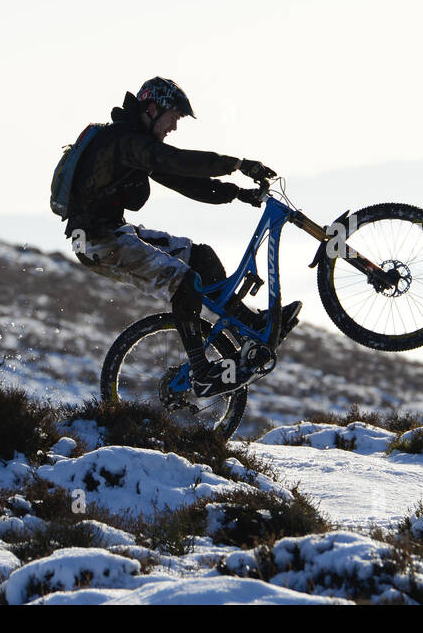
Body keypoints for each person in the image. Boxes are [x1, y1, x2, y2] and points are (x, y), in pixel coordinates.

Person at [63, 77, 300, 396]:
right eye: (172, 118)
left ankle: (249, 328)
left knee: (201, 257)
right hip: (99, 242)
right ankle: (201, 372)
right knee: (184, 281)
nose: (173, 128)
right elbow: (175, 160)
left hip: (112, 234)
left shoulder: (134, 143)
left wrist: (236, 194)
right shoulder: (123, 141)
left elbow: (182, 179)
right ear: (152, 109)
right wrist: (238, 164)